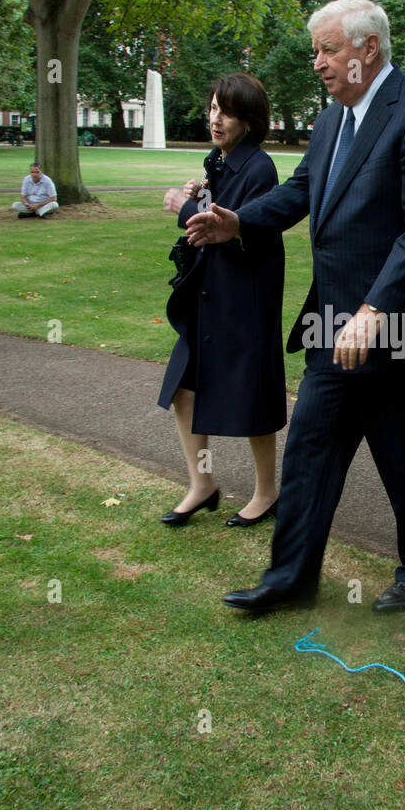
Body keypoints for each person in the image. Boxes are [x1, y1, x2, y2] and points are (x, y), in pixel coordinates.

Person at [186, 0, 405, 614]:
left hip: (397, 325)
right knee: (311, 447)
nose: (317, 62)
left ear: (368, 50)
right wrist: (238, 223)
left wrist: (374, 311)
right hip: (330, 322)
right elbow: (301, 191)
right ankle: (290, 578)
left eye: (328, 49)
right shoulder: (329, 120)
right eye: (317, 50)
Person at [157, 73, 285, 527]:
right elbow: (210, 219)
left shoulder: (259, 168)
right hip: (207, 292)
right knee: (184, 389)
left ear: (249, 120)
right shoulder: (219, 159)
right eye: (212, 108)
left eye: (226, 111)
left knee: (252, 395)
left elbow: (241, 229)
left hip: (242, 298)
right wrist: (198, 195)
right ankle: (203, 484)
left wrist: (184, 207)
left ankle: (267, 492)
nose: (216, 118)